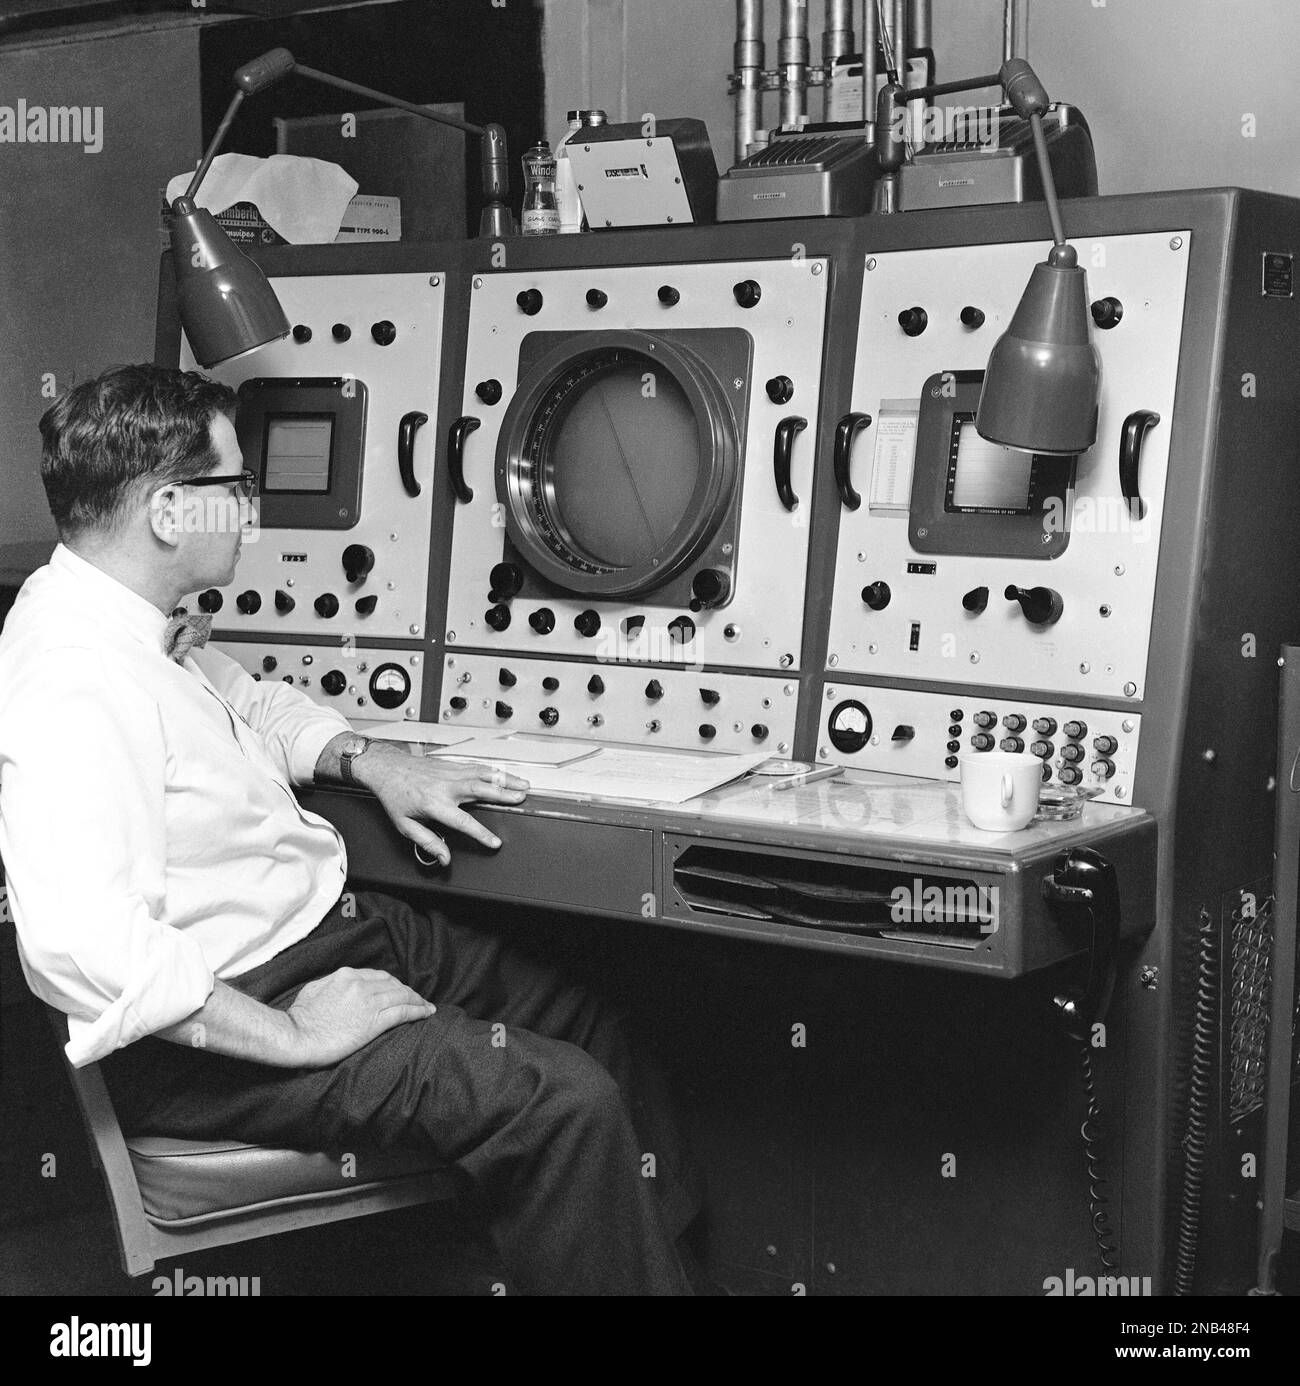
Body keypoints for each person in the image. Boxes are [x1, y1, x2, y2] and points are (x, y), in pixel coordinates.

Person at [0, 363, 702, 1295]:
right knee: (560, 1103)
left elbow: (249, 700)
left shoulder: (136, 624)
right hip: (226, 1019)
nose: (251, 512)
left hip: (327, 934)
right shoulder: (74, 680)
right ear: (171, 511)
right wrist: (293, 1034)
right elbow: (85, 945)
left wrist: (365, 758)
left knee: (596, 1027)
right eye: (234, 490)